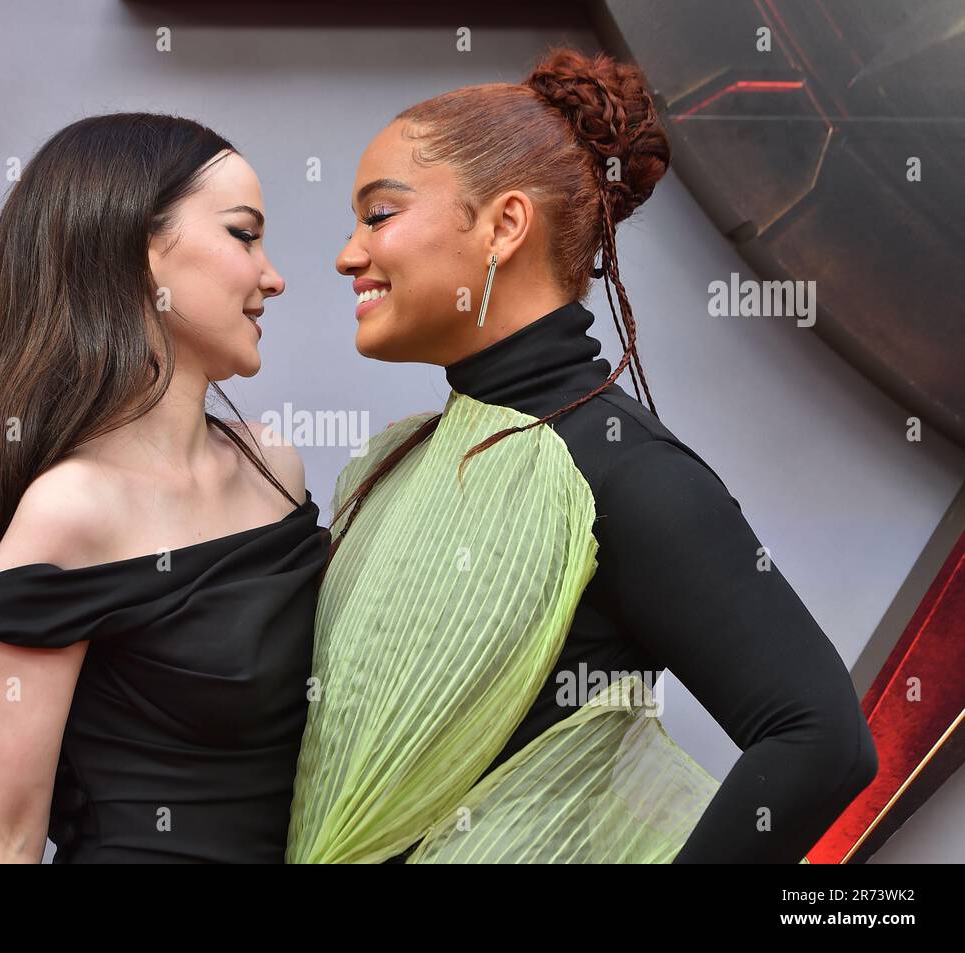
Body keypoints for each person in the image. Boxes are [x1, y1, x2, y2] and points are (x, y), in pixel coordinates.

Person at [286, 47, 877, 863]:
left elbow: (822, 738)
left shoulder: (623, 469)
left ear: (504, 225)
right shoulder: (401, 460)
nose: (348, 254)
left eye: (379, 215)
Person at [0, 113, 329, 863]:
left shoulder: (273, 467)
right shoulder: (71, 511)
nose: (272, 275)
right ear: (139, 252)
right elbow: (3, 836)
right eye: (243, 235)